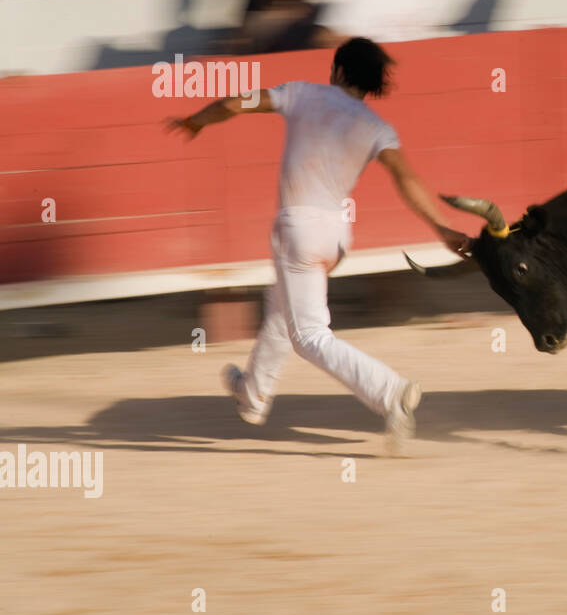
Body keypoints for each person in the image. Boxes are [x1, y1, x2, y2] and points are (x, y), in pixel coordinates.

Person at [164, 38, 470, 450]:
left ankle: (390, 392)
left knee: (310, 336)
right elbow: (406, 179)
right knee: (282, 305)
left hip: (299, 229)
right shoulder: (377, 126)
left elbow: (235, 104)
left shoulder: (303, 93)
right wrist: (440, 227)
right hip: (336, 234)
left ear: (340, 72)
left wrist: (195, 121)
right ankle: (252, 394)